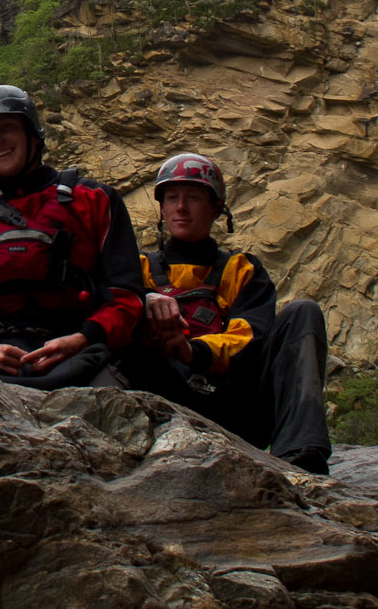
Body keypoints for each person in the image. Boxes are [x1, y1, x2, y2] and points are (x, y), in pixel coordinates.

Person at [120, 152, 331, 474]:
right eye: (172, 198)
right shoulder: (139, 269)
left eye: (193, 198)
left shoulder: (242, 269)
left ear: (216, 208)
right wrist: (145, 300)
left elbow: (250, 336)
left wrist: (193, 351)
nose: (180, 208)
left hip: (236, 407)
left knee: (303, 312)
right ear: (161, 207)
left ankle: (302, 455)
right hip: (163, 398)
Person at [0, 84, 144, 389]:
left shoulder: (95, 199)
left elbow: (126, 296)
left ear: (32, 134)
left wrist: (82, 338)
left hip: (84, 352)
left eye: (7, 128)